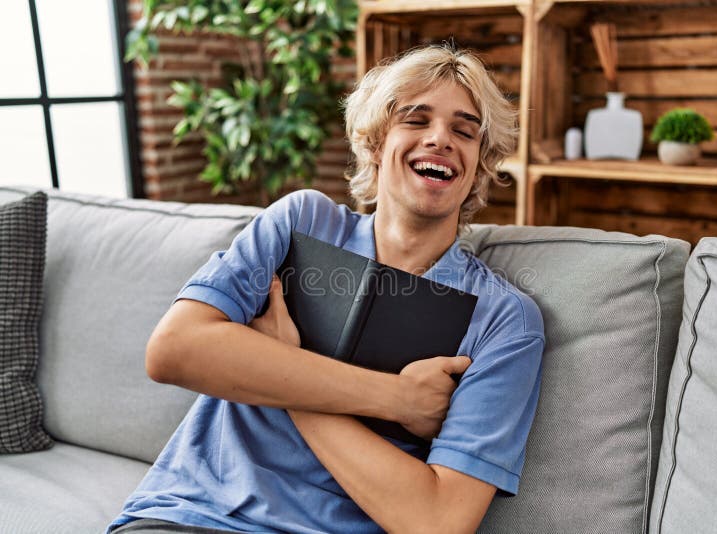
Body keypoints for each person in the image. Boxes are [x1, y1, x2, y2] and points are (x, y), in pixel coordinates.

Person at [109, 45, 544, 534]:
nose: (441, 138)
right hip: (191, 515)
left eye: (464, 131)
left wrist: (281, 372)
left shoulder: (504, 319)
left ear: (480, 166)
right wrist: (395, 398)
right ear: (376, 144)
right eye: (416, 120)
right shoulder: (302, 223)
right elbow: (173, 351)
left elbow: (437, 522)